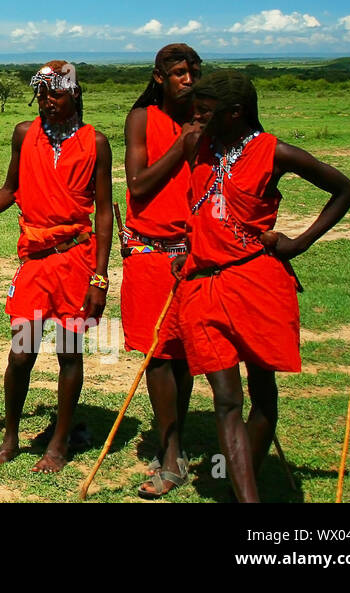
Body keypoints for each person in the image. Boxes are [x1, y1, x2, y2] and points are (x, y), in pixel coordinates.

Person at [174, 70, 350, 502]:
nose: (195, 122)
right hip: (202, 284)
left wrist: (298, 244)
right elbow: (201, 205)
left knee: (262, 393)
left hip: (256, 281)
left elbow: (345, 190)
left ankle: (243, 482)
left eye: (204, 113)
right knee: (225, 398)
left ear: (235, 113)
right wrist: (190, 244)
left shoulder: (275, 153)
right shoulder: (199, 146)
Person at [0, 61, 113, 473]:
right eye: (41, 94)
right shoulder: (25, 133)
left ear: (74, 94)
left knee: (70, 354)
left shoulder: (97, 143)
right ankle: (11, 436)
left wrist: (100, 275)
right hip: (35, 261)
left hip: (77, 259)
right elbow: (11, 189)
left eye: (54, 94)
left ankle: (58, 445)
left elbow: (105, 211)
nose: (46, 102)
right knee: (21, 354)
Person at [121, 43, 201, 498]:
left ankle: (177, 442)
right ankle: (170, 455)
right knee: (158, 354)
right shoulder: (142, 120)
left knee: (186, 353)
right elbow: (139, 184)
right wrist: (181, 145)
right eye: (178, 73)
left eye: (193, 71)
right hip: (150, 252)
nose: (187, 79)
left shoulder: (207, 120)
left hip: (195, 252)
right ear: (158, 78)